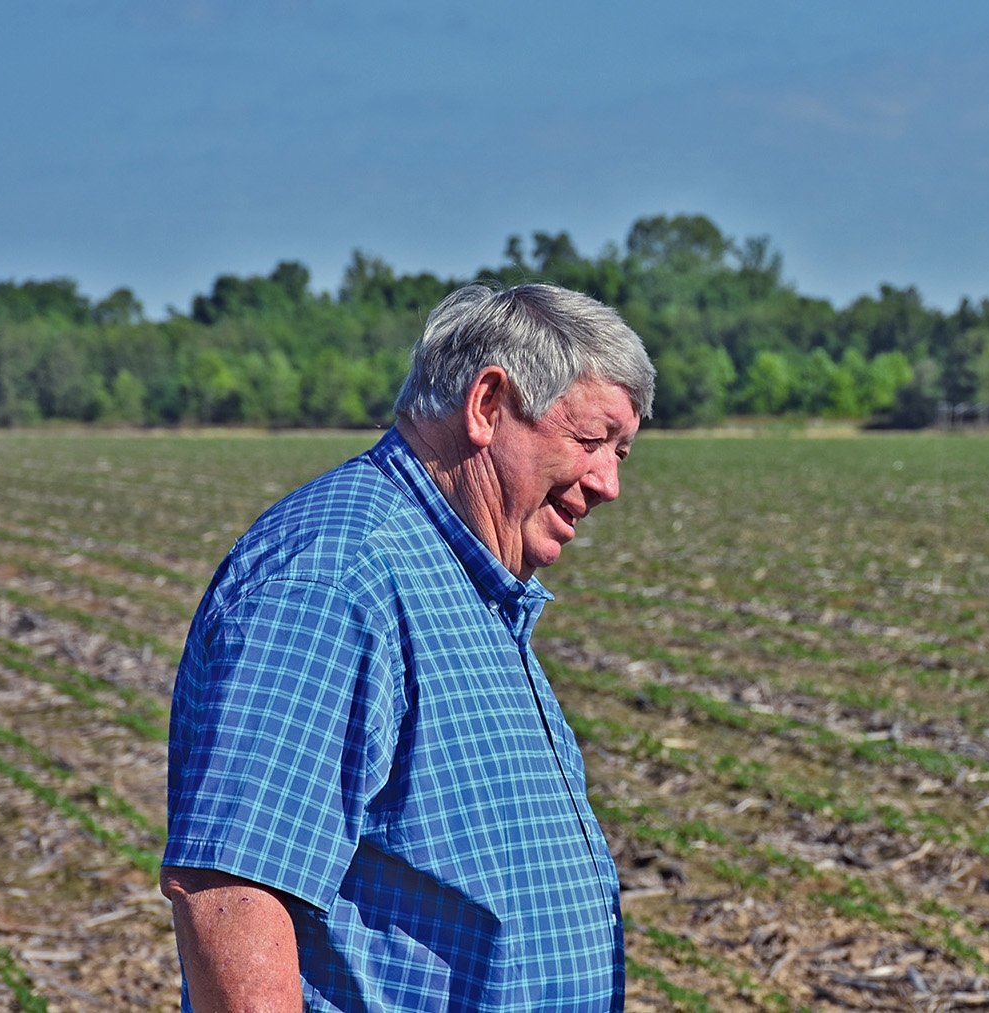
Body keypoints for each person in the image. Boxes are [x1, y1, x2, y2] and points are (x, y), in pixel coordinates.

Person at [160, 283, 655, 1013]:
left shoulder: (459, 579)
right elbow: (233, 890)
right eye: (590, 441)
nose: (609, 483)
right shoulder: (338, 574)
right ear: (487, 405)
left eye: (622, 452)